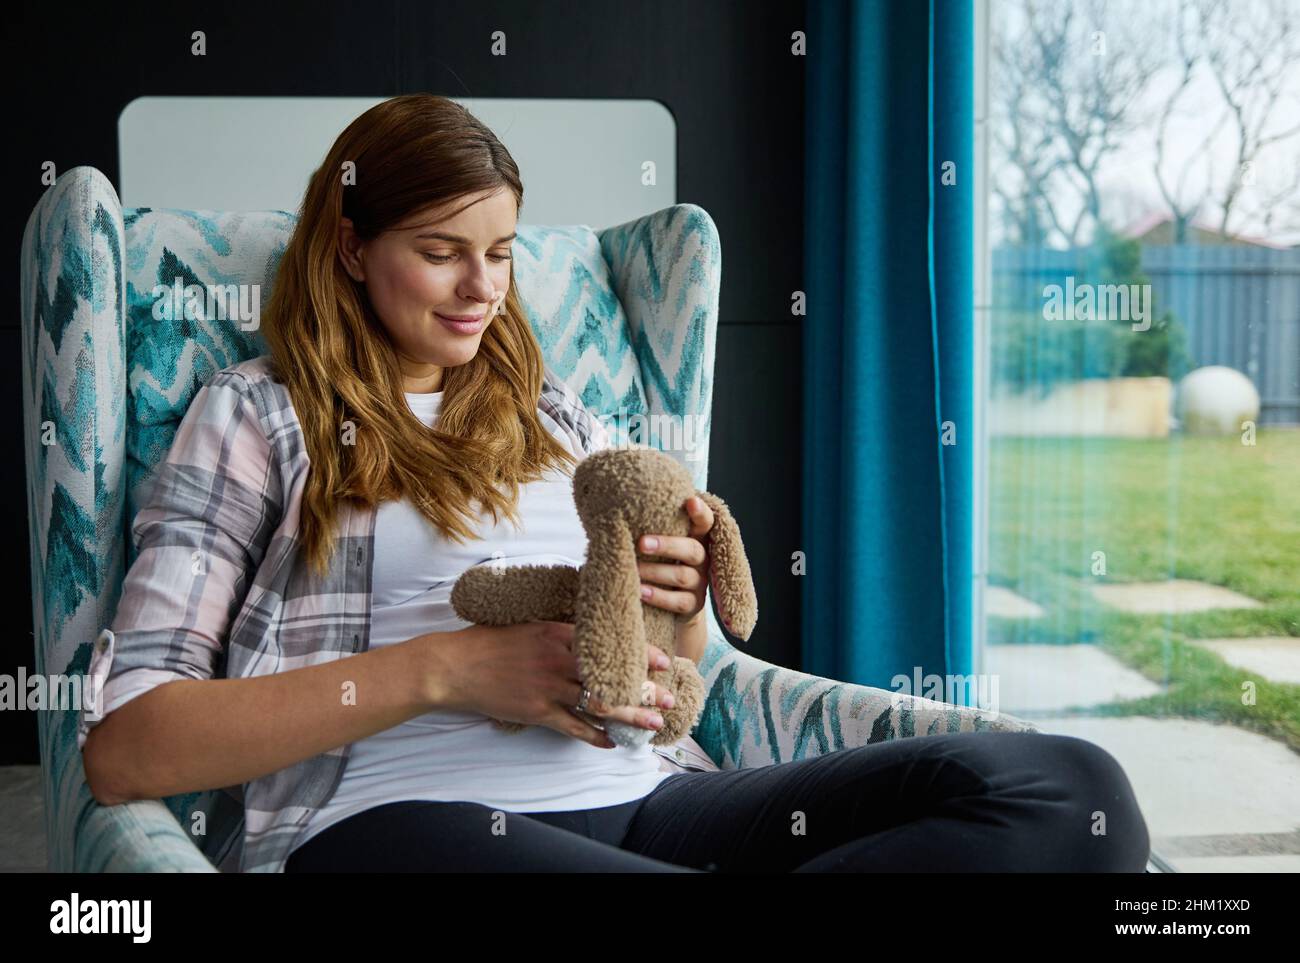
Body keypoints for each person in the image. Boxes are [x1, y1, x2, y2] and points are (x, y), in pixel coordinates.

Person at [80, 93, 1151, 873]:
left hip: (648, 800)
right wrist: (446, 670)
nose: (481, 289)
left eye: (499, 252)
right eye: (441, 251)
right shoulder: (257, 417)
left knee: (1068, 792)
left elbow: (673, 664)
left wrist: (676, 615)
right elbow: (131, 749)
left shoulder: (561, 420)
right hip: (398, 824)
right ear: (353, 250)